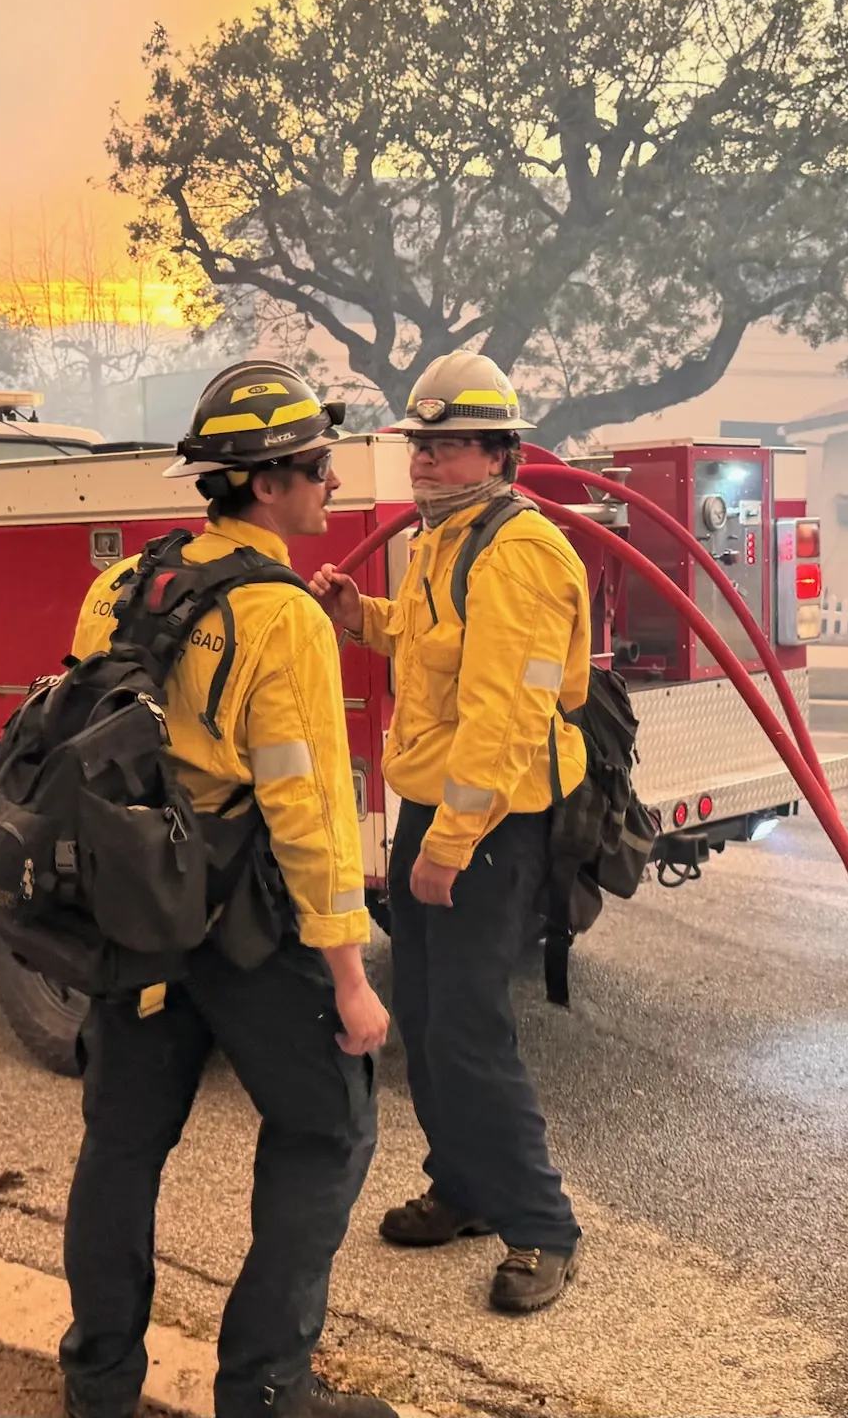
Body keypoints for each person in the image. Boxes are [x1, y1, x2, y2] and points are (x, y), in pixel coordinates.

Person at [59, 360, 396, 1418]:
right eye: (318, 467)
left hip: (135, 914)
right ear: (266, 483)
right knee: (330, 1129)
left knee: (121, 1146)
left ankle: (98, 1387)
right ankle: (265, 1391)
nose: (331, 483)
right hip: (242, 921)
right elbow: (309, 809)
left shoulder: (121, 585)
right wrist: (350, 978)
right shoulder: (282, 616)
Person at [307, 350, 591, 1316]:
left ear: (500, 454)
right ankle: (464, 1188)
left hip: (491, 820)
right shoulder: (447, 537)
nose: (424, 460)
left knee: (469, 1030)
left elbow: (505, 717)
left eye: (449, 444)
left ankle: (543, 1227)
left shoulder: (519, 553)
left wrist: (450, 845)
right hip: (437, 807)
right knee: (425, 1020)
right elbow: (438, 648)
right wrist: (362, 617)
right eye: (419, 444)